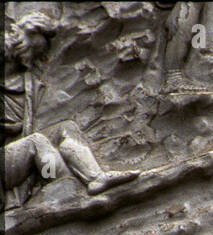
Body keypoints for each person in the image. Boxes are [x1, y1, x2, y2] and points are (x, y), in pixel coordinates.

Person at [4, 13, 138, 206]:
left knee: (66, 128)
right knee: (37, 142)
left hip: (12, 157)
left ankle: (95, 178)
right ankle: (62, 187)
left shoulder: (28, 83)